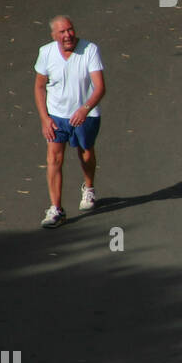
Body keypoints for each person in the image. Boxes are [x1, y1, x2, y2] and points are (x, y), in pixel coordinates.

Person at [34, 16, 106, 228]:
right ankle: (56, 209)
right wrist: (45, 118)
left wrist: (85, 109)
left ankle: (89, 188)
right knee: (53, 159)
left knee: (86, 152)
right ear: (54, 36)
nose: (68, 35)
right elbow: (39, 86)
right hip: (56, 116)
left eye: (70, 30)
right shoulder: (46, 53)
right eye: (62, 32)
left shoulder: (90, 49)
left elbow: (100, 87)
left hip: (86, 115)